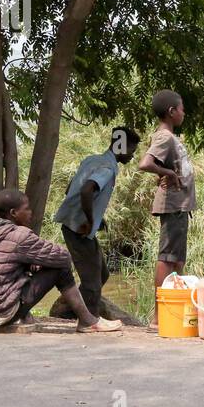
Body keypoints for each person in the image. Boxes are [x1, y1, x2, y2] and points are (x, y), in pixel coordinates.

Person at [0, 188, 122, 333]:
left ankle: (22, 316)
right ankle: (88, 321)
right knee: (60, 268)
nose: (30, 213)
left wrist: (31, 262)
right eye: (26, 209)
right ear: (13, 213)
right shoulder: (20, 236)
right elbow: (64, 257)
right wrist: (40, 262)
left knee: (28, 268)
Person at [52, 126, 140, 317]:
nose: (132, 155)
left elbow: (71, 189)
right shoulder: (107, 168)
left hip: (78, 226)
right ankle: (89, 321)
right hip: (79, 230)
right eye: (132, 150)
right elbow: (86, 190)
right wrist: (90, 220)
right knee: (92, 282)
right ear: (121, 146)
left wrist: (98, 219)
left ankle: (70, 312)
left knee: (102, 275)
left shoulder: (92, 160)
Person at [138, 90, 196, 325]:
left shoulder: (170, 138)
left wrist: (164, 172)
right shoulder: (165, 137)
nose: (184, 112)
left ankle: (174, 310)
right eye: (181, 108)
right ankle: (159, 316)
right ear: (172, 112)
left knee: (177, 259)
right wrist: (167, 172)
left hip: (179, 206)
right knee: (167, 258)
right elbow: (146, 163)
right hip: (173, 205)